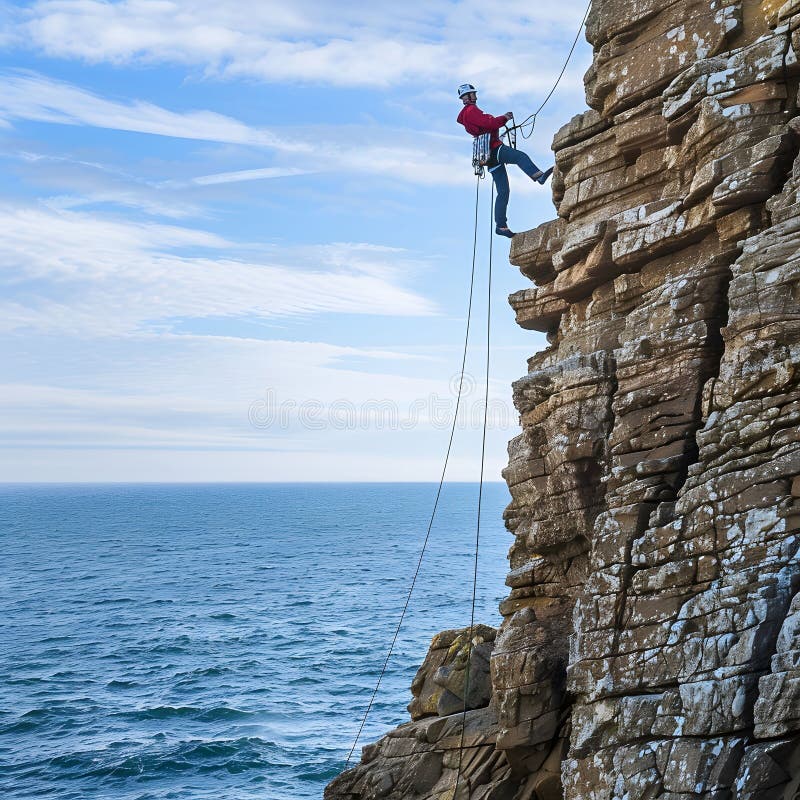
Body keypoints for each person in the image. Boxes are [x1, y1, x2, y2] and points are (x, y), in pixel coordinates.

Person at [456, 83, 553, 238]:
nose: (475, 95)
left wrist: (497, 123)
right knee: (520, 156)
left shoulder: (467, 114)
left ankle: (501, 226)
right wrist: (504, 118)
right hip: (493, 148)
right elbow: (489, 123)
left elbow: (485, 127)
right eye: (472, 94)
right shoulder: (470, 111)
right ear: (466, 97)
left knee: (503, 191)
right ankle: (538, 176)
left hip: (487, 155)